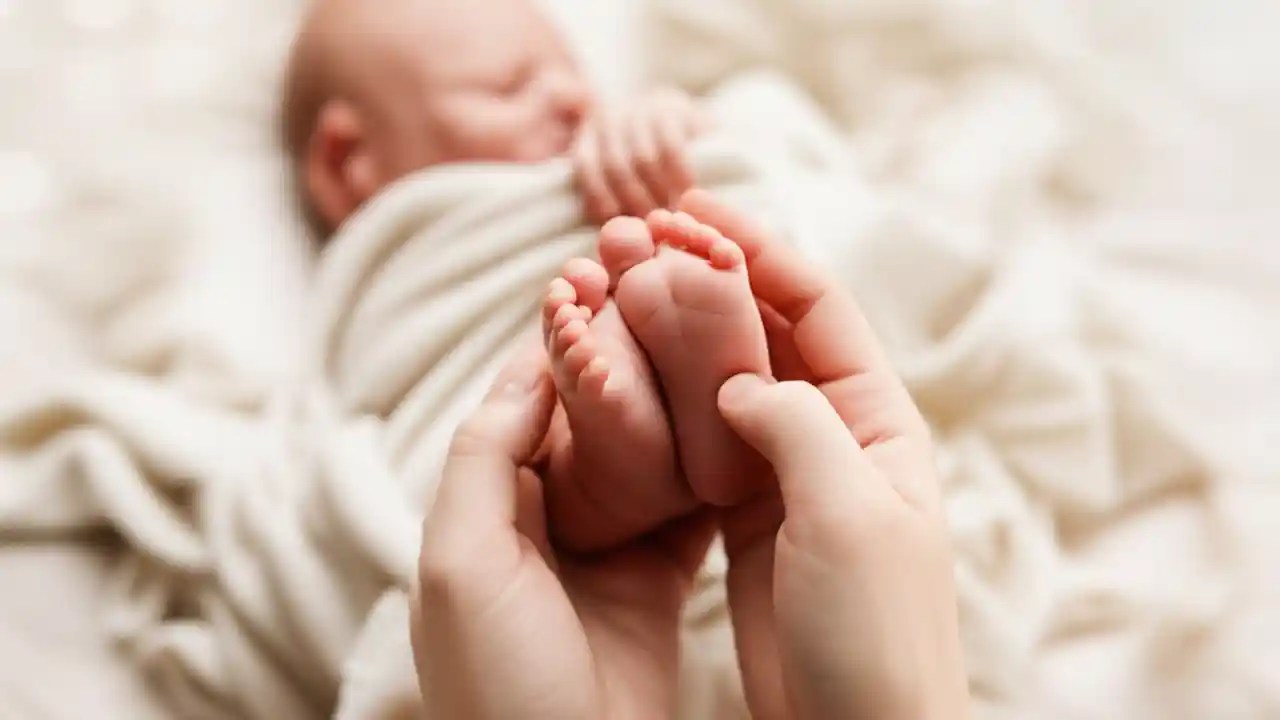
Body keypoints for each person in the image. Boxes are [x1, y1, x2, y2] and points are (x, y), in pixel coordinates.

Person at [410, 191, 973, 720]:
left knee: (550, 460)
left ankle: (621, 448)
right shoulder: (438, 208)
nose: (558, 94)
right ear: (346, 162)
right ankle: (638, 437)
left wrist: (640, 131)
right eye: (507, 87)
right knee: (561, 460)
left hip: (573, 552)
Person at [281, 0, 759, 555]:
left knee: (748, 136)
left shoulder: (610, 149)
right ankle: (607, 442)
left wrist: (671, 132)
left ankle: (662, 403)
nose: (574, 100)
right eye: (508, 88)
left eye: (573, 73)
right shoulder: (406, 272)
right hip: (529, 452)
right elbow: (407, 397)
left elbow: (760, 163)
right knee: (508, 438)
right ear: (348, 163)